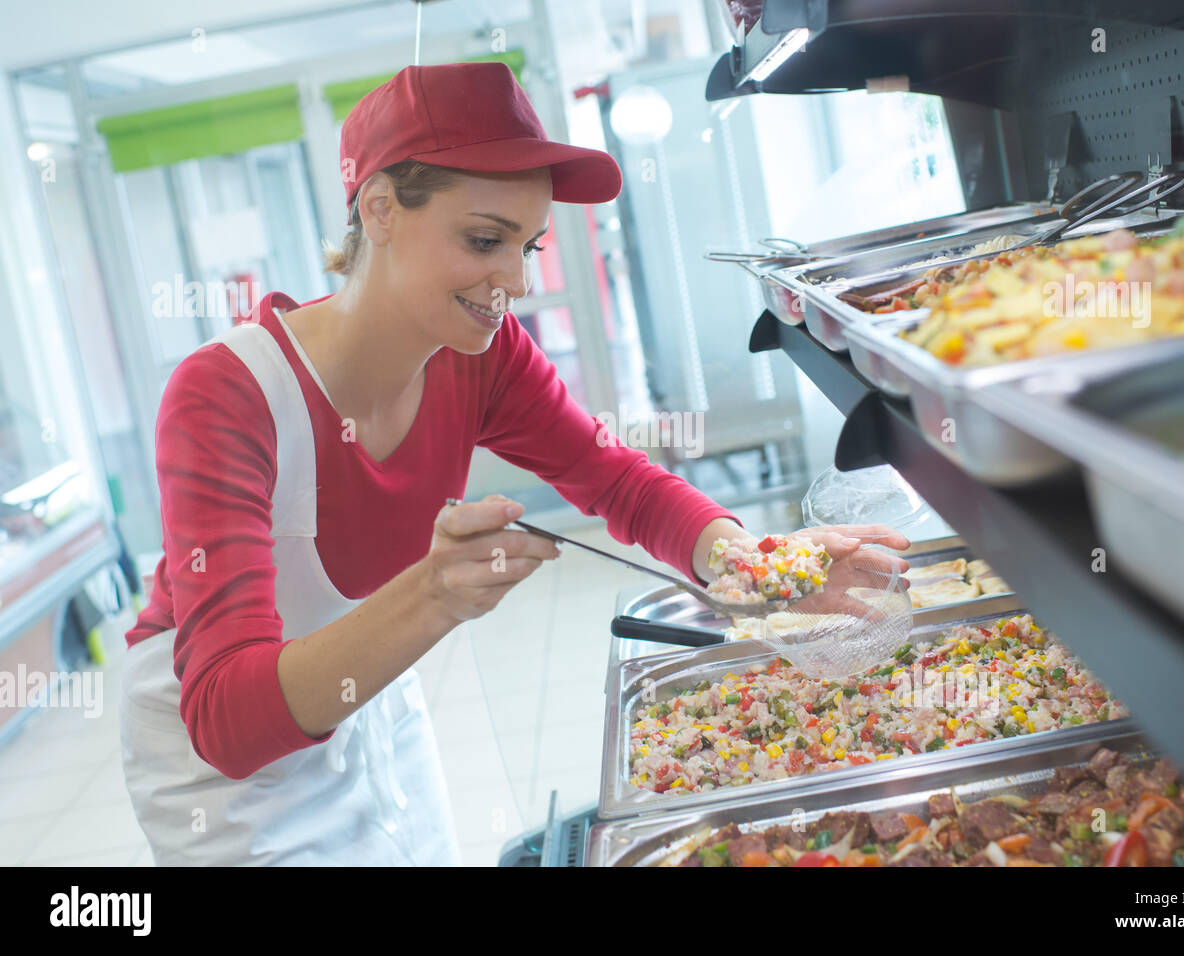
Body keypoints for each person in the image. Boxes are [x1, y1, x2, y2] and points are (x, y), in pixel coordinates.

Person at [120, 62, 908, 865]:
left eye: (527, 247)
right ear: (380, 208)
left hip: (365, 699)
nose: (519, 283)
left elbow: (618, 480)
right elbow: (225, 720)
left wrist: (759, 564)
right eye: (485, 240)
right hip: (226, 779)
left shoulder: (481, 356)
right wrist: (433, 593)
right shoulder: (226, 395)